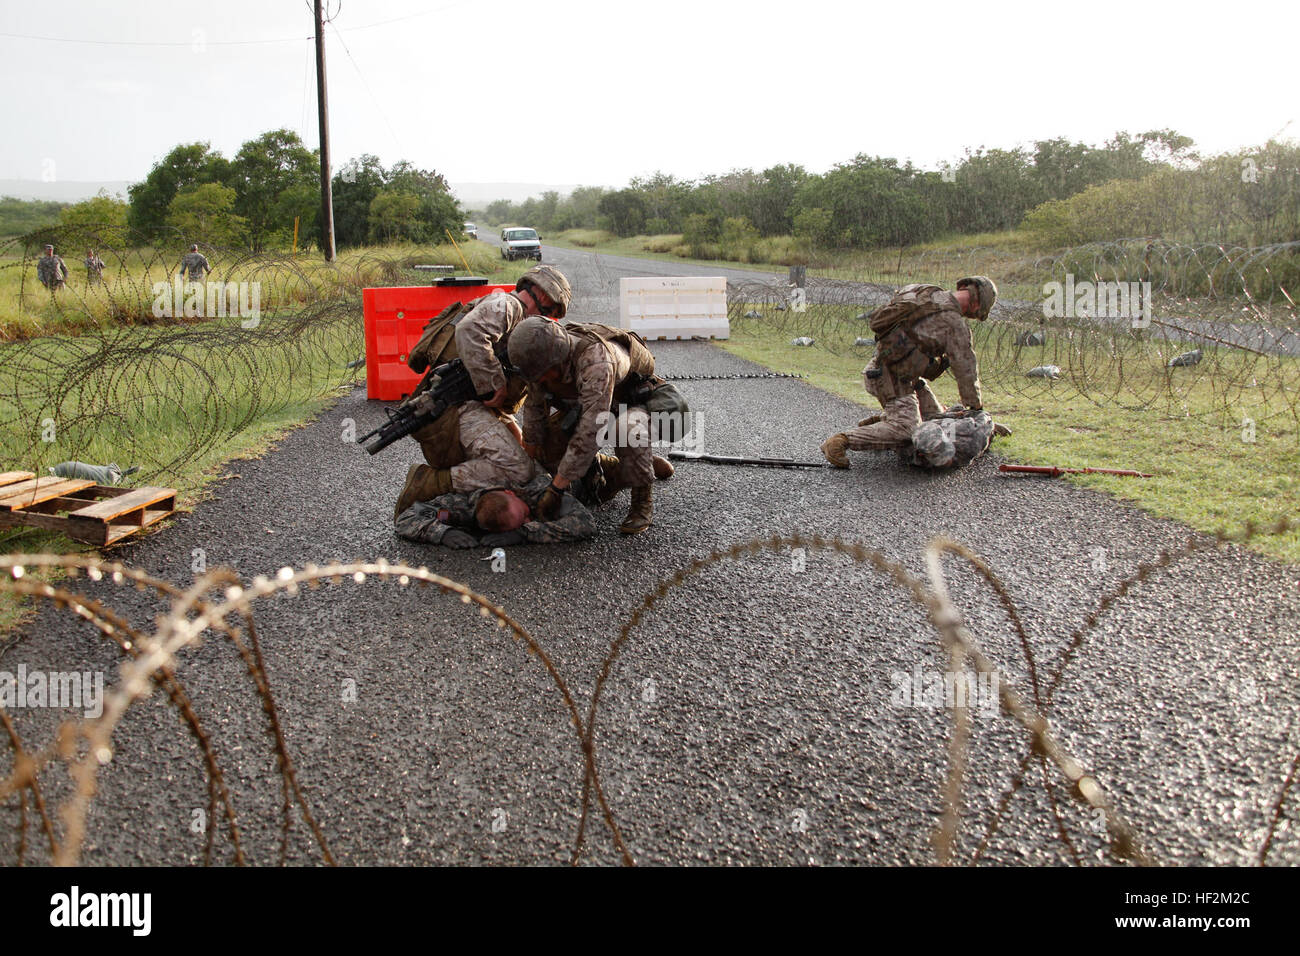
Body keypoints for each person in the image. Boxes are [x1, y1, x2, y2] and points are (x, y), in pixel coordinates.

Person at [393, 265, 573, 516]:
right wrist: (494, 383)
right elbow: (470, 331)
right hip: (453, 409)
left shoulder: (514, 319)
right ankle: (430, 483)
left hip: (467, 405)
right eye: (553, 311)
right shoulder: (508, 305)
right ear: (542, 296)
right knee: (519, 470)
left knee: (525, 455)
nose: (550, 318)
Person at [820, 276, 998, 467]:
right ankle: (842, 441)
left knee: (933, 418)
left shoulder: (926, 292)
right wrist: (975, 408)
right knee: (907, 429)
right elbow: (966, 370)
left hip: (886, 369)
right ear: (977, 303)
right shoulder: (954, 324)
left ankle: (886, 420)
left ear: (963, 287)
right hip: (893, 381)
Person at [508, 317, 661, 535]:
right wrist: (528, 470)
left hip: (631, 402)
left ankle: (641, 500)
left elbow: (590, 432)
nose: (540, 379)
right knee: (548, 445)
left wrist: (555, 489)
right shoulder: (540, 363)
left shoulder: (595, 360)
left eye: (542, 374)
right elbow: (534, 415)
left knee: (627, 431)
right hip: (589, 406)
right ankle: (612, 472)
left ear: (557, 360)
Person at [395, 470, 596, 548]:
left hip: (577, 479)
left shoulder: (536, 490)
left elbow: (585, 523)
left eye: (525, 515)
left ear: (511, 494)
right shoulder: (460, 508)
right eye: (521, 522)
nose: (528, 520)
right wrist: (442, 532)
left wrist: (524, 533)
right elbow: (410, 515)